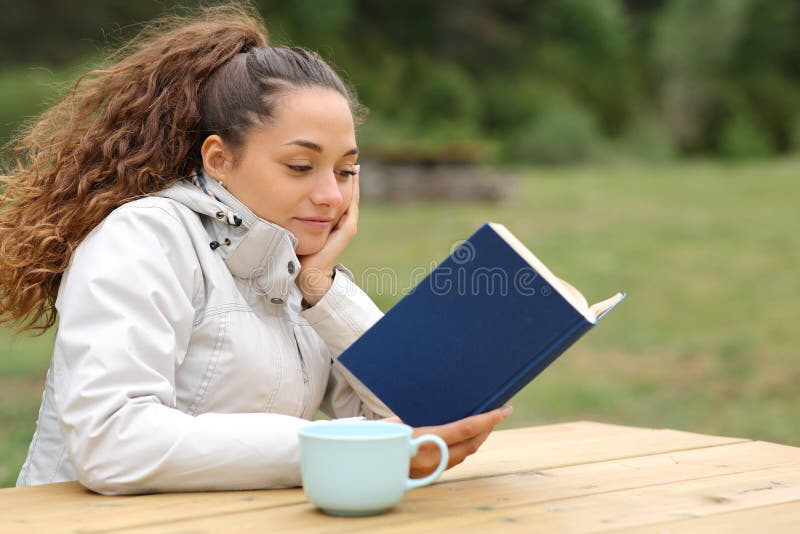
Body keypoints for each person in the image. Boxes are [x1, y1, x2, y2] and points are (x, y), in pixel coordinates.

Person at [0, 4, 512, 495]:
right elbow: (110, 439)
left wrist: (324, 292)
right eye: (300, 166)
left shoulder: (294, 272)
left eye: (346, 170)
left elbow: (416, 416)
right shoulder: (143, 238)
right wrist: (327, 445)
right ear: (219, 159)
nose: (332, 196)